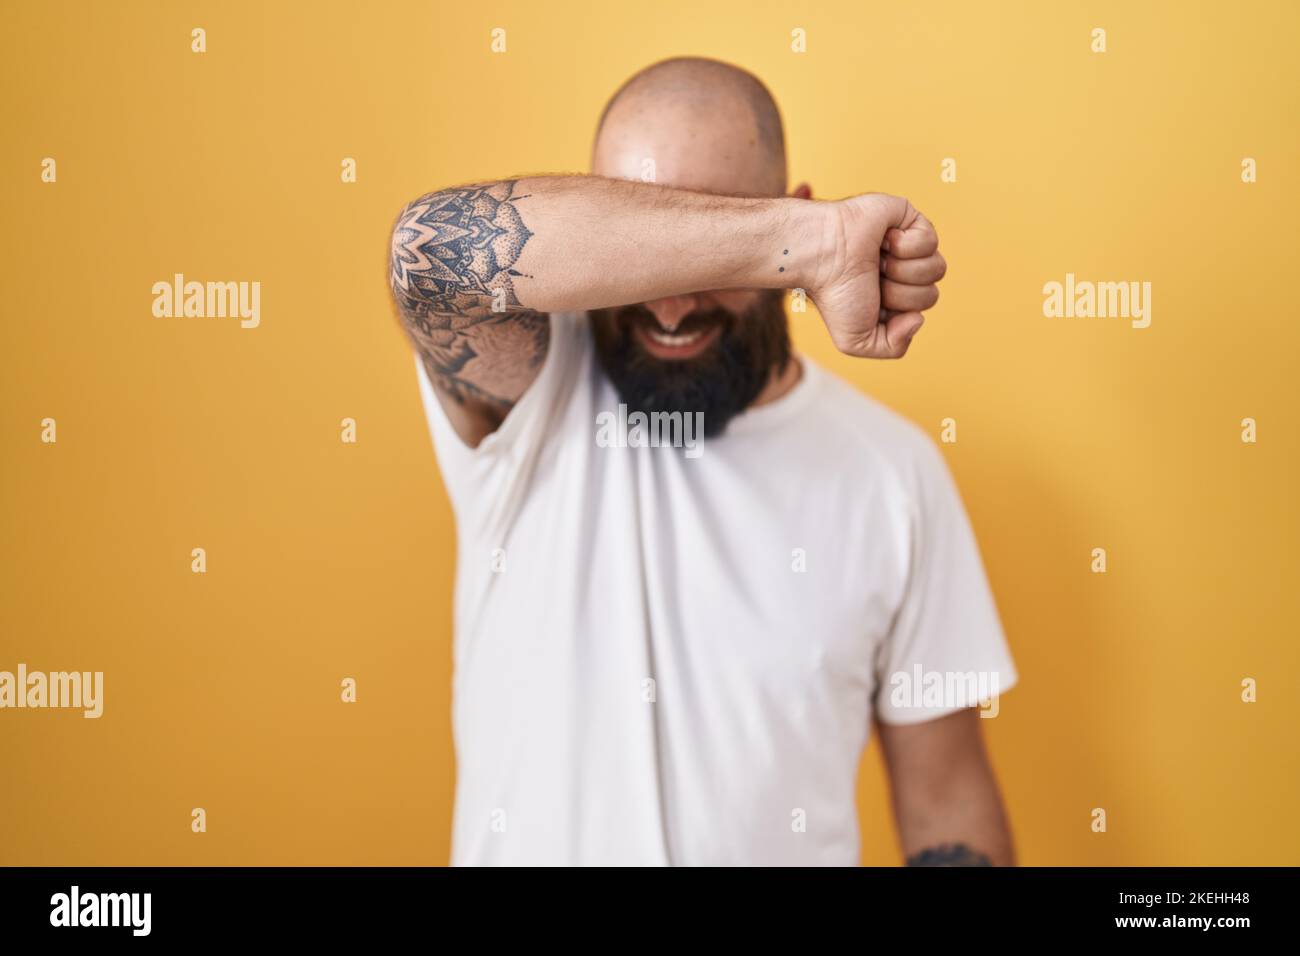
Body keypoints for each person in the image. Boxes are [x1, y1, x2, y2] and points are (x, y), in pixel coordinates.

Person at [388, 56, 1018, 866]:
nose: (673, 304)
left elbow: (946, 803)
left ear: (783, 213)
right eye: (658, 243)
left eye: (719, 250)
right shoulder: (535, 397)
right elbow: (425, 254)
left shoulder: (892, 474)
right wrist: (813, 240)